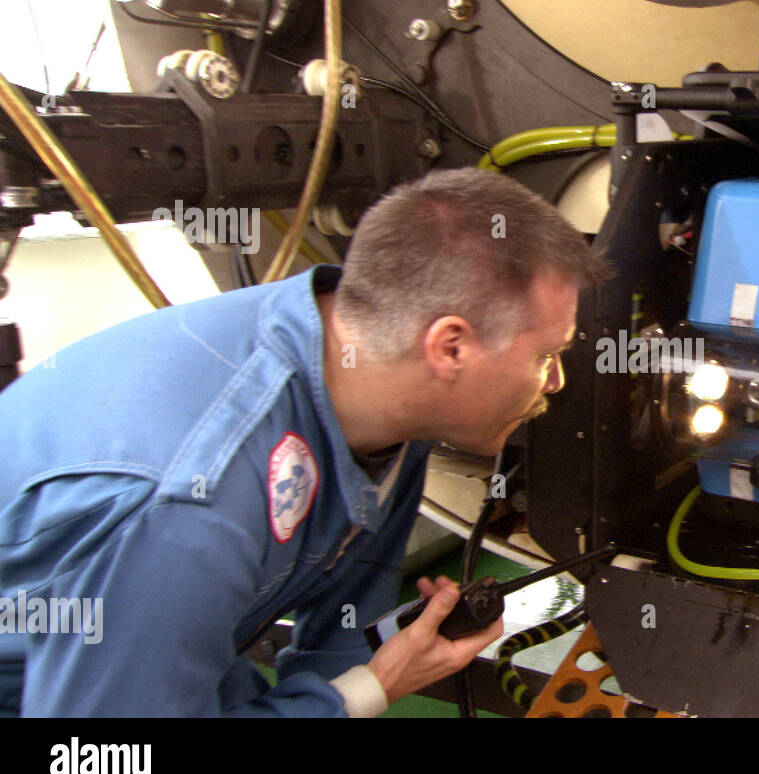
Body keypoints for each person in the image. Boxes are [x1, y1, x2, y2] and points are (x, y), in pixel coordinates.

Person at [0, 167, 610, 716]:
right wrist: (371, 690)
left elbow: (344, 627)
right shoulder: (191, 508)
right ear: (449, 347)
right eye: (545, 355)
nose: (554, 380)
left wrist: (376, 663)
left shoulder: (370, 375)